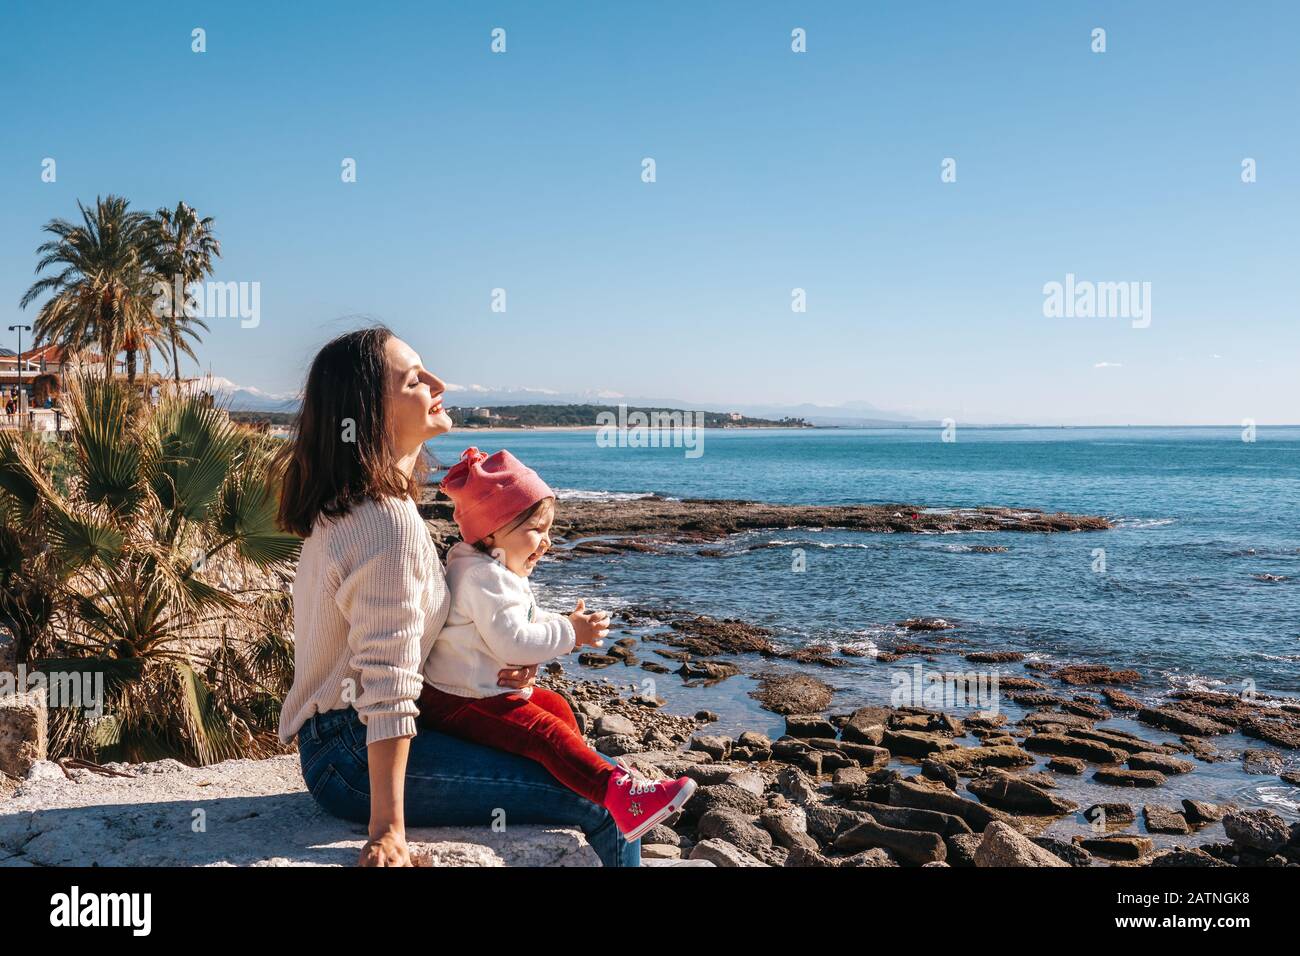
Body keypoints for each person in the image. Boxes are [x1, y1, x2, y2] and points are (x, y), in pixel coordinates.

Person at [275, 325, 641, 866]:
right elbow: (387, 677)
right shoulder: (384, 524)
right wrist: (387, 830)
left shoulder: (369, 507)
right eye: (414, 379)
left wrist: (492, 666)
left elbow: (427, 637)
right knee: (606, 801)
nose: (438, 381)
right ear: (369, 408)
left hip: (347, 744)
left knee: (569, 739)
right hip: (351, 755)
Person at [420, 447, 696, 841]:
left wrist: (564, 622)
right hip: (459, 701)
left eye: (549, 531)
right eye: (536, 530)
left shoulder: (492, 567)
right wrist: (570, 634)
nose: (547, 542)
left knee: (556, 705)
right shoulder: (483, 577)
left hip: (477, 691)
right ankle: (619, 794)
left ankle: (577, 773)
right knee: (545, 733)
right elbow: (514, 641)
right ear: (492, 530)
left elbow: (525, 619)